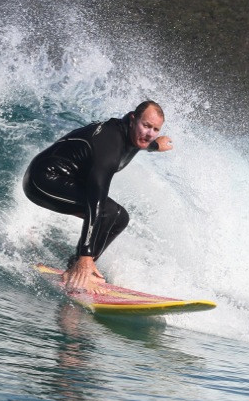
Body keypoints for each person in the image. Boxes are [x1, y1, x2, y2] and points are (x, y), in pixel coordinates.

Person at [22, 100, 175, 292]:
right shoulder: (109, 146)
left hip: (68, 179)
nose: (150, 133)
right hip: (43, 179)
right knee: (107, 211)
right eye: (146, 125)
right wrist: (86, 254)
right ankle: (80, 268)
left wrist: (155, 146)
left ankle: (76, 268)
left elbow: (142, 141)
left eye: (155, 129)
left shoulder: (133, 134)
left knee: (120, 217)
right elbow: (96, 201)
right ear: (133, 119)